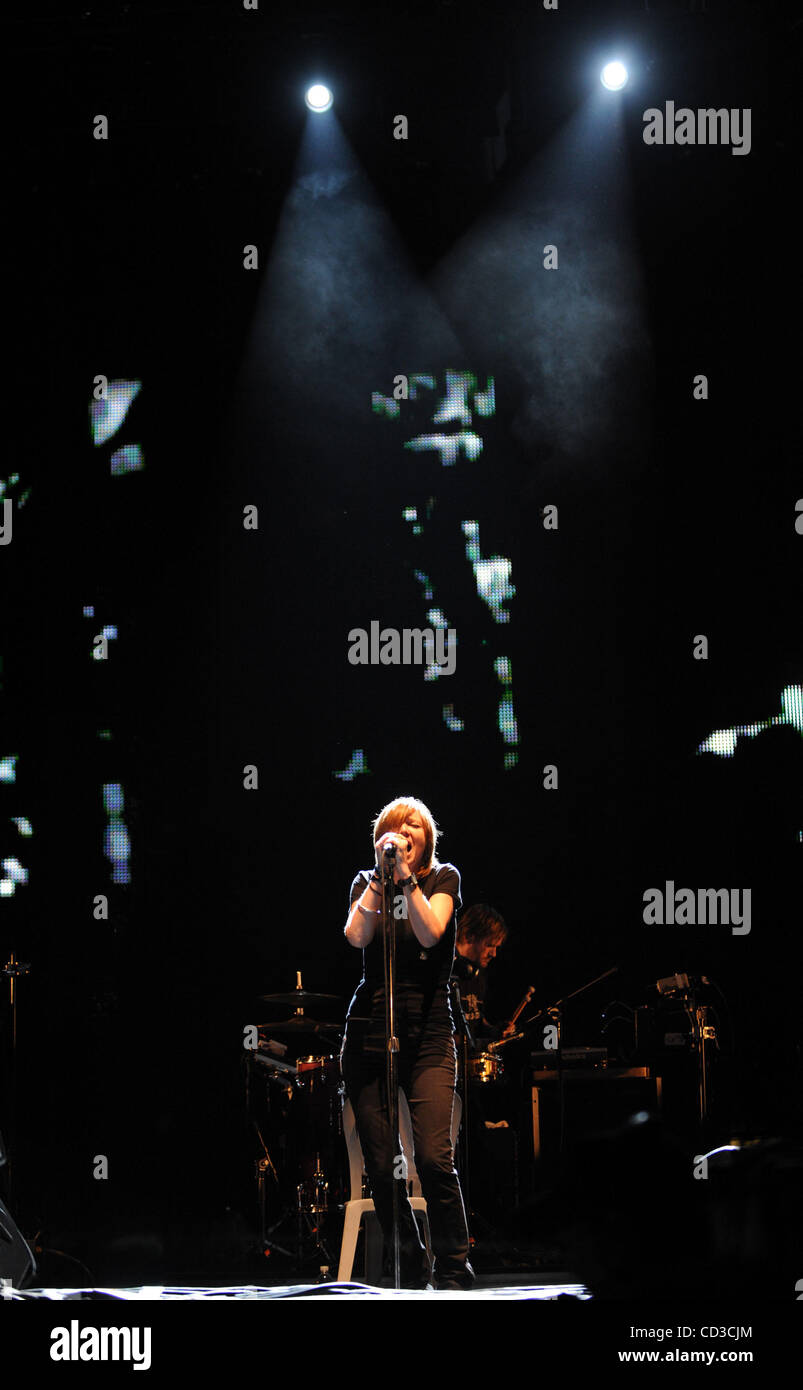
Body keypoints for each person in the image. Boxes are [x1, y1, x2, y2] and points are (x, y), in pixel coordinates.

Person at [341, 795, 474, 1289]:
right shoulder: (366, 884)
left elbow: (430, 932)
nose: (404, 832)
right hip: (369, 1034)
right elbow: (356, 936)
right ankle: (412, 1262)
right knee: (381, 1167)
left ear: (427, 838)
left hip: (429, 1036)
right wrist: (380, 879)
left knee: (434, 1159)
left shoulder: (443, 880)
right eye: (395, 827)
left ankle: (454, 1267)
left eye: (413, 826)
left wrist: (406, 880)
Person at [451, 904, 510, 1041]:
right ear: (469, 936)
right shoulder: (444, 970)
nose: (494, 954)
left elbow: (476, 1020)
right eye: (489, 945)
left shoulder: (477, 972)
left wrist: (495, 1031)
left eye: (496, 947)